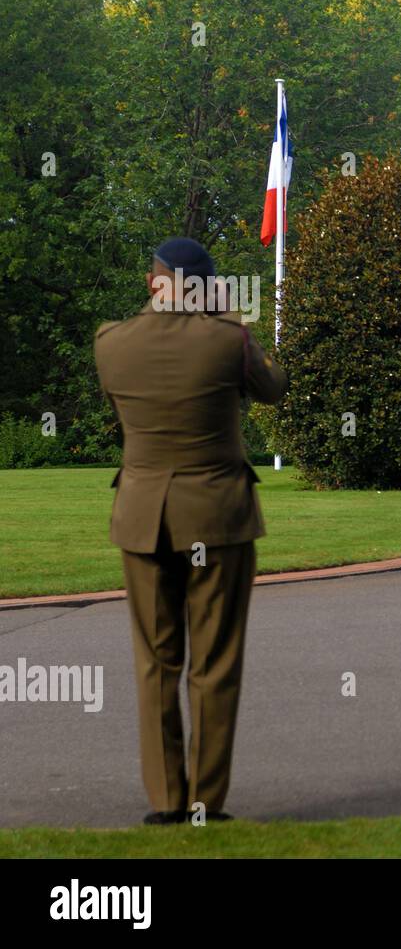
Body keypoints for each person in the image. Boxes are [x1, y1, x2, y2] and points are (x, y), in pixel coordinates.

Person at [94, 237, 288, 826]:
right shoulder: (228, 340)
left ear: (155, 282)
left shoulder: (112, 343)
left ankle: (166, 801)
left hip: (143, 517)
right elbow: (273, 389)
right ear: (205, 287)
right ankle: (206, 802)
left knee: (156, 661)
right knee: (215, 662)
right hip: (217, 517)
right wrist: (227, 318)